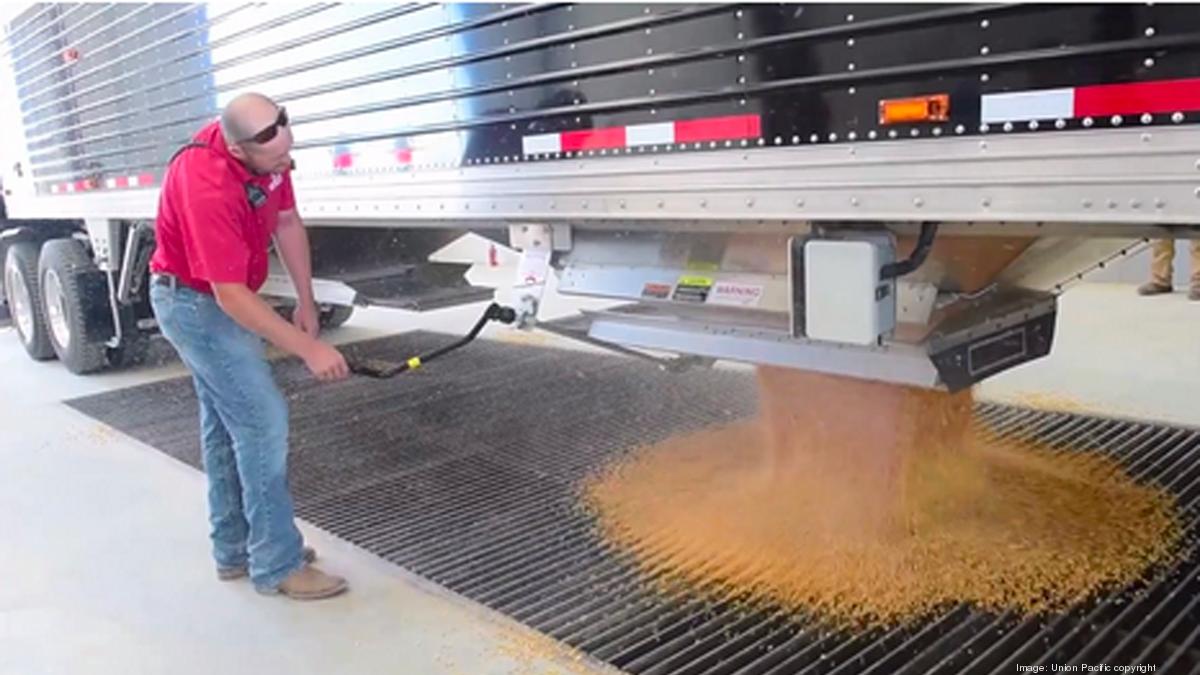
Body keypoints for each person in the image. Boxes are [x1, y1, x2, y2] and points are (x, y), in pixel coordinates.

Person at [149, 93, 350, 600]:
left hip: (218, 296)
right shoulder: (207, 183)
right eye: (277, 158)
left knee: (226, 425)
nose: (287, 163)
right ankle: (277, 563)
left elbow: (286, 222)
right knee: (262, 422)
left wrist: (307, 301)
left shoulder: (268, 151)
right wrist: (309, 351)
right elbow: (231, 296)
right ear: (239, 151)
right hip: (194, 305)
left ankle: (236, 549)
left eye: (288, 150)